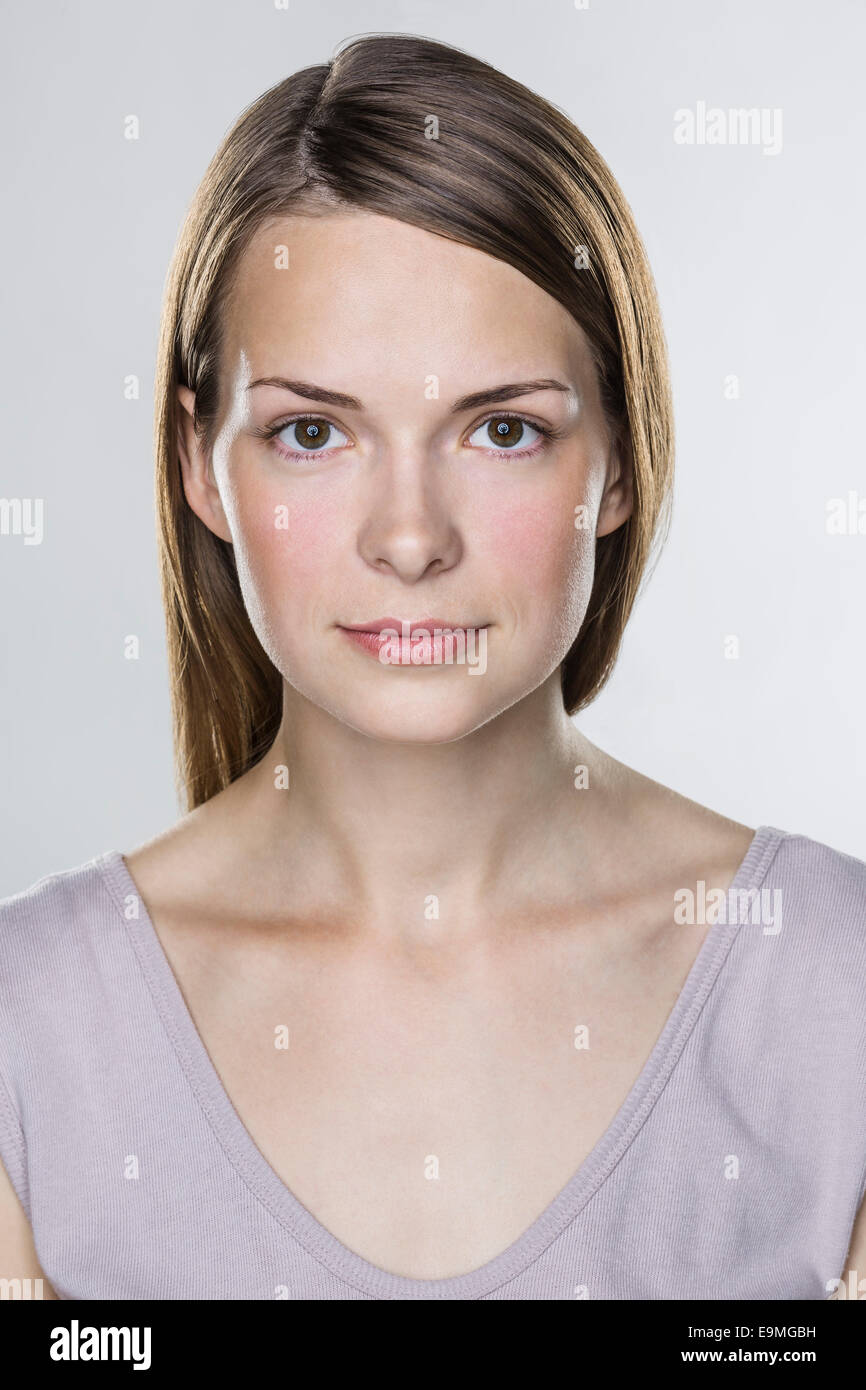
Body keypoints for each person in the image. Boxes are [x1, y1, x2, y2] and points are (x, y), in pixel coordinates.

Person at [1, 33, 864, 1301]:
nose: (409, 537)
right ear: (201, 466)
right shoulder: (30, 1038)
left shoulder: (831, 998)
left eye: (502, 429)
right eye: (311, 432)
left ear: (618, 459)